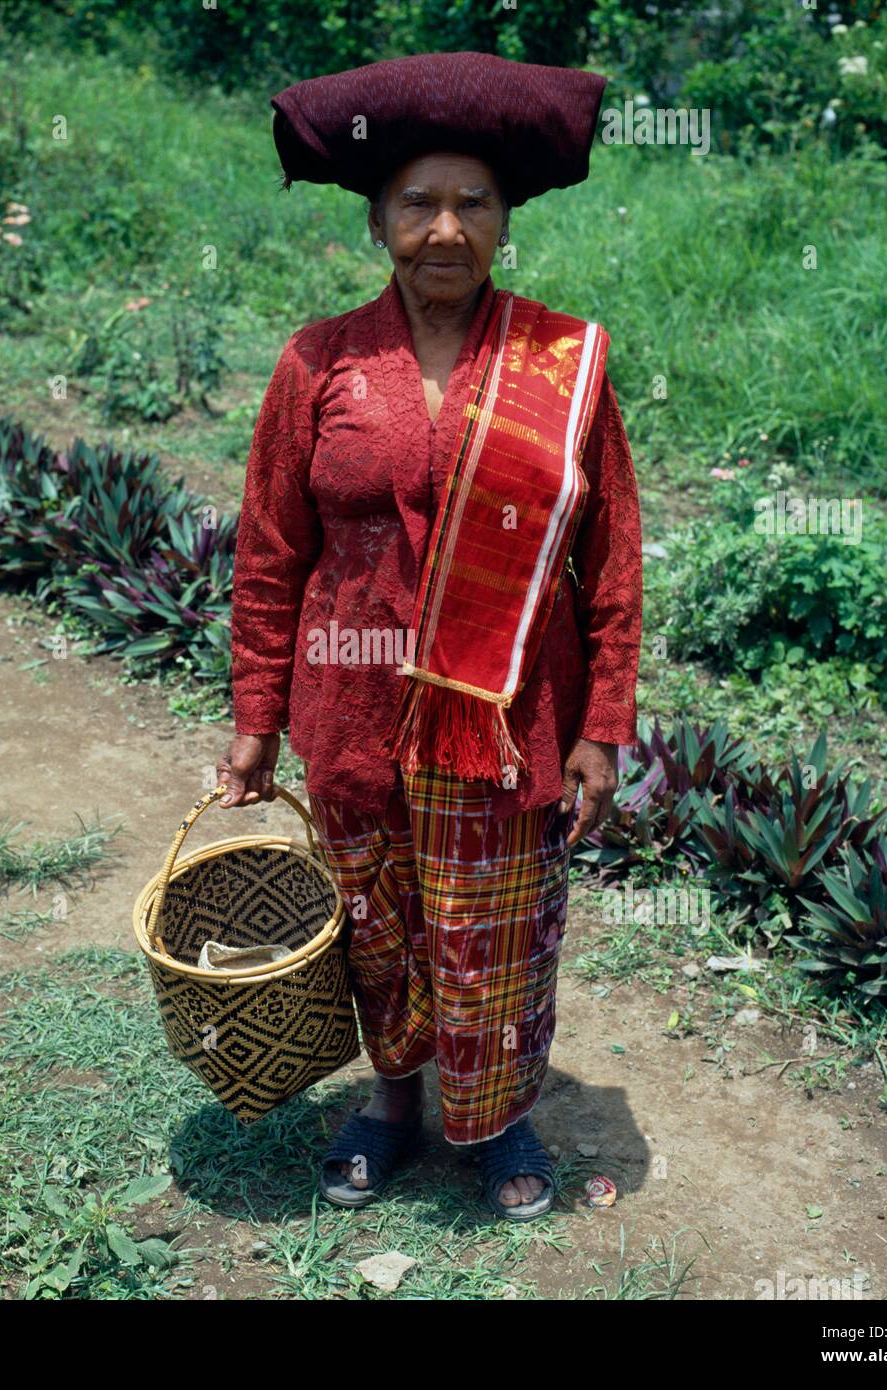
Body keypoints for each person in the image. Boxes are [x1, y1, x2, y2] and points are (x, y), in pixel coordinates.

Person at [216, 51, 642, 1221]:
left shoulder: (563, 369)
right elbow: (268, 554)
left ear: (506, 222)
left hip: (508, 720)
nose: (445, 227)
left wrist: (604, 724)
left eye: (473, 203)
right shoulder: (319, 362)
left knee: (497, 925)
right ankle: (394, 1101)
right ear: (376, 222)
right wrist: (256, 717)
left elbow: (611, 564)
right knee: (381, 923)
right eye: (418, 202)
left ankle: (500, 1116)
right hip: (345, 713)